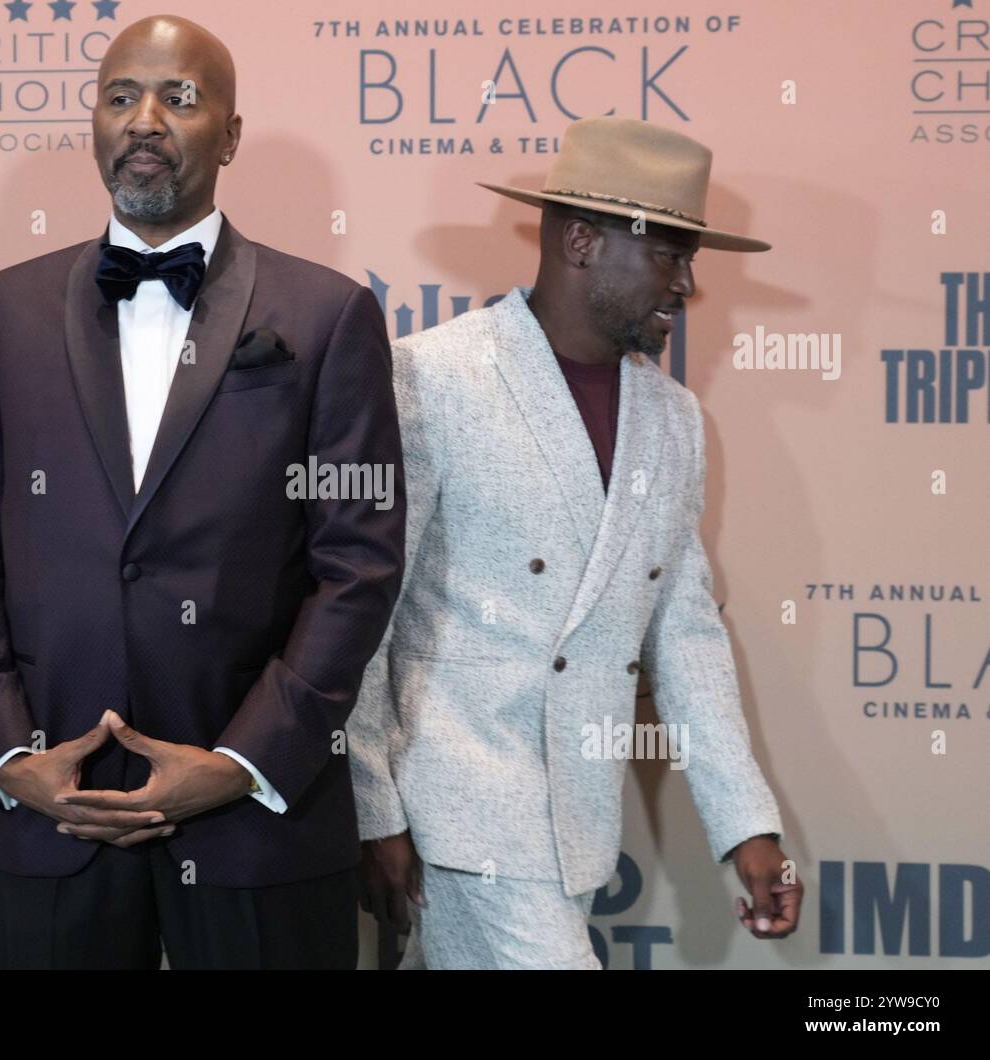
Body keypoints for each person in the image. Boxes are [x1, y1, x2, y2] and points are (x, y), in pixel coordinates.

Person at [0, 14, 404, 970]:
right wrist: (16, 761)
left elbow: (357, 565)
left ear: (229, 135)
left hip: (259, 825)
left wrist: (241, 762)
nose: (146, 118)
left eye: (180, 97)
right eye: (120, 96)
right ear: (94, 125)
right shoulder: (0, 313)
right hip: (59, 820)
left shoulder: (329, 315)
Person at [349, 116, 803, 969]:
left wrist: (747, 825)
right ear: (584, 243)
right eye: (669, 255)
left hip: (578, 825)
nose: (688, 285)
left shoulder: (673, 421)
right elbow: (364, 608)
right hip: (459, 811)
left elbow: (684, 632)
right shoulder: (432, 377)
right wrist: (373, 807)